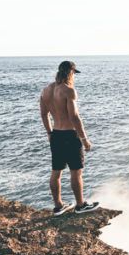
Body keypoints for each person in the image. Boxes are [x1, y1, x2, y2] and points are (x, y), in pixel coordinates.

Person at [39, 61, 99, 215]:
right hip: (70, 136)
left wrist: (49, 133)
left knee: (56, 172)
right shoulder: (68, 91)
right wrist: (84, 139)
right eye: (74, 73)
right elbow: (74, 117)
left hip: (56, 136)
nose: (74, 76)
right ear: (70, 72)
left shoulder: (45, 91)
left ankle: (58, 206)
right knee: (76, 172)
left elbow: (44, 114)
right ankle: (80, 205)